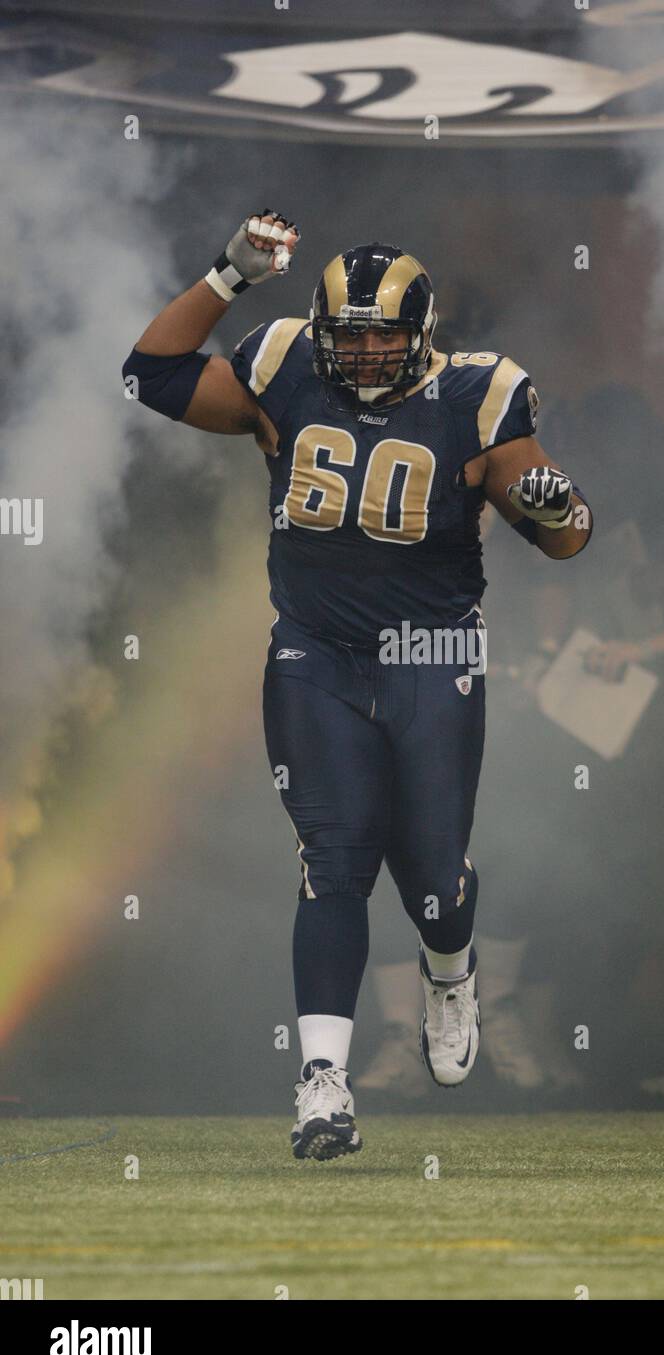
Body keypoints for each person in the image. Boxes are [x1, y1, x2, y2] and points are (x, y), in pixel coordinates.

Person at [122, 209, 593, 1160]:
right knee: (333, 858)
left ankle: (450, 971)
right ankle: (323, 1085)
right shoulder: (285, 360)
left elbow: (566, 534)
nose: (367, 351)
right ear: (322, 328)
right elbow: (152, 374)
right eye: (352, 334)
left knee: (432, 875)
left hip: (431, 652)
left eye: (384, 334)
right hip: (316, 652)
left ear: (421, 333)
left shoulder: (478, 393)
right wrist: (229, 274)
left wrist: (559, 506)